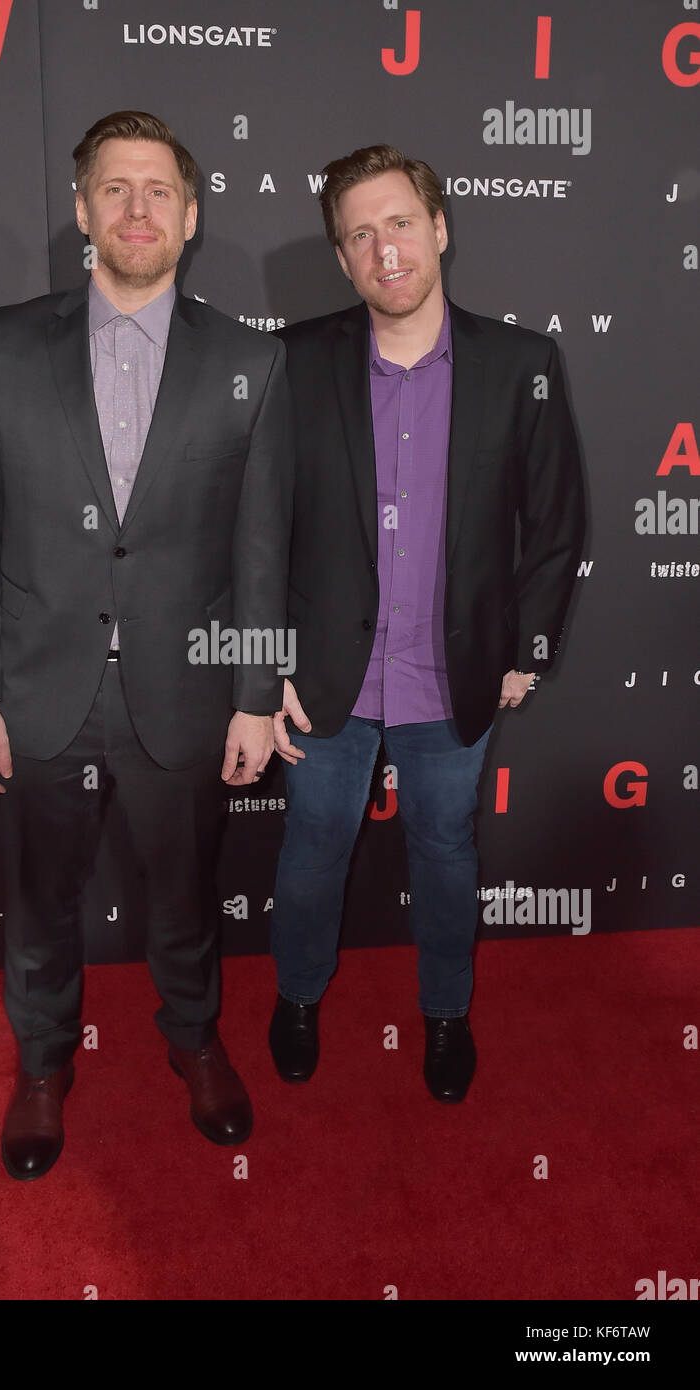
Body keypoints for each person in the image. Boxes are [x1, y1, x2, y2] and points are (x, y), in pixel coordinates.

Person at [0, 110, 291, 1179]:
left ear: (189, 217)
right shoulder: (2, 345)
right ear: (84, 208)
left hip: (187, 695)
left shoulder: (250, 361)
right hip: (38, 691)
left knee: (188, 896)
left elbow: (262, 548)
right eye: (115, 188)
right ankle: (44, 1064)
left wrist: (254, 690)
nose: (137, 209)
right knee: (39, 902)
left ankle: (193, 1039)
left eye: (159, 191)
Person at [267, 144, 585, 1102]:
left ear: (438, 228)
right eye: (358, 233)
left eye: (399, 221)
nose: (384, 248)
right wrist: (263, 659)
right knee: (311, 852)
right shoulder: (293, 359)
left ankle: (445, 1013)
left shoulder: (520, 362)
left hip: (456, 675)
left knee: (447, 855)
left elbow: (555, 519)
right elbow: (256, 522)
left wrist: (526, 651)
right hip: (324, 672)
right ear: (341, 258)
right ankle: (296, 999)